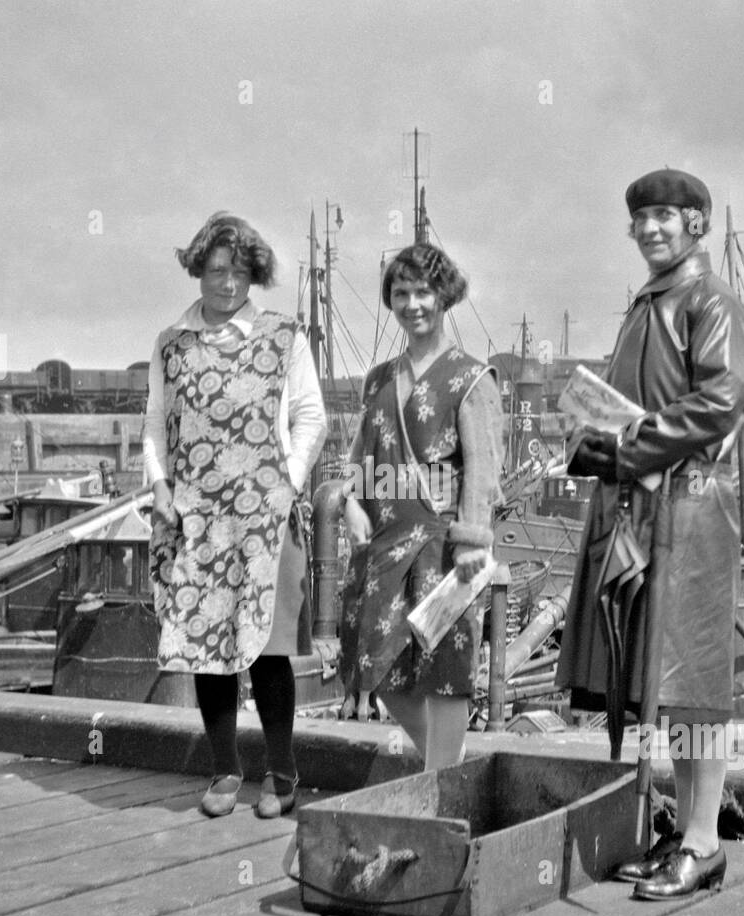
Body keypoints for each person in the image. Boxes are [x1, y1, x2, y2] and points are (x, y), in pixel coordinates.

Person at [557, 169, 744, 899]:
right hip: (649, 508)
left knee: (694, 679)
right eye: (640, 218)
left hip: (693, 511)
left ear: (698, 222)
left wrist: (630, 445)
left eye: (666, 216)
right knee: (664, 681)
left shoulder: (711, 301)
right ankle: (690, 831)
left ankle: (704, 841)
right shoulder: (652, 302)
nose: (650, 229)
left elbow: (722, 401)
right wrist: (593, 442)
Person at [142, 212, 326, 819]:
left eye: (240, 272)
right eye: (217, 270)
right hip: (197, 520)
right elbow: (153, 428)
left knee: (268, 649)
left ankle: (282, 774)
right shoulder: (171, 345)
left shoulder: (283, 337)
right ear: (198, 269)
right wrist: (161, 485)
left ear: (255, 275)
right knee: (207, 645)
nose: (227, 284)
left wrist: (288, 484)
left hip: (265, 522)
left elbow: (311, 418)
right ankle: (225, 770)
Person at [339, 244, 502, 769]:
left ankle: (442, 778)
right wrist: (351, 502)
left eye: (424, 292)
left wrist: (473, 542)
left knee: (445, 669)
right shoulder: (378, 377)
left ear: (444, 297)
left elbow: (482, 468)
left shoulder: (472, 378)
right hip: (386, 539)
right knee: (377, 663)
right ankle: (443, 769)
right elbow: (365, 450)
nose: (413, 304)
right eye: (402, 293)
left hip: (443, 542)